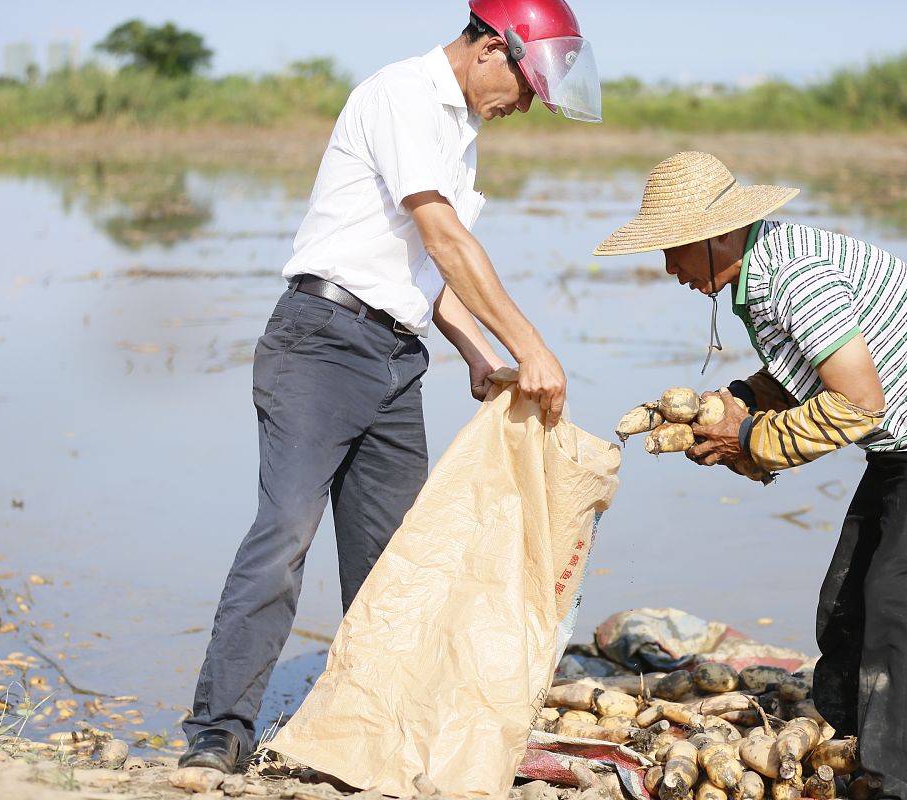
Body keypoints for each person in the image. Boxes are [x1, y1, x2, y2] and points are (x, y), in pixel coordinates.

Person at [179, 0, 602, 773]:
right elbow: (444, 235)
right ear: (488, 50)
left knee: (395, 564)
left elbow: (425, 267)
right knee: (284, 537)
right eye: (526, 88)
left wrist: (474, 352)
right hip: (320, 343)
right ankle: (220, 730)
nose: (524, 108)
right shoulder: (402, 95)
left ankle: (366, 738)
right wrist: (530, 345)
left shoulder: (461, 135)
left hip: (394, 360)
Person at [594, 152, 907, 800]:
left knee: (897, 594)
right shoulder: (756, 275)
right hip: (903, 441)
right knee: (845, 598)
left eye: (676, 250)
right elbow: (801, 375)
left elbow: (856, 403)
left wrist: (751, 438)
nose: (669, 268)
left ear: (718, 238)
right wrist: (734, 402)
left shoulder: (794, 278)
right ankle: (851, 744)